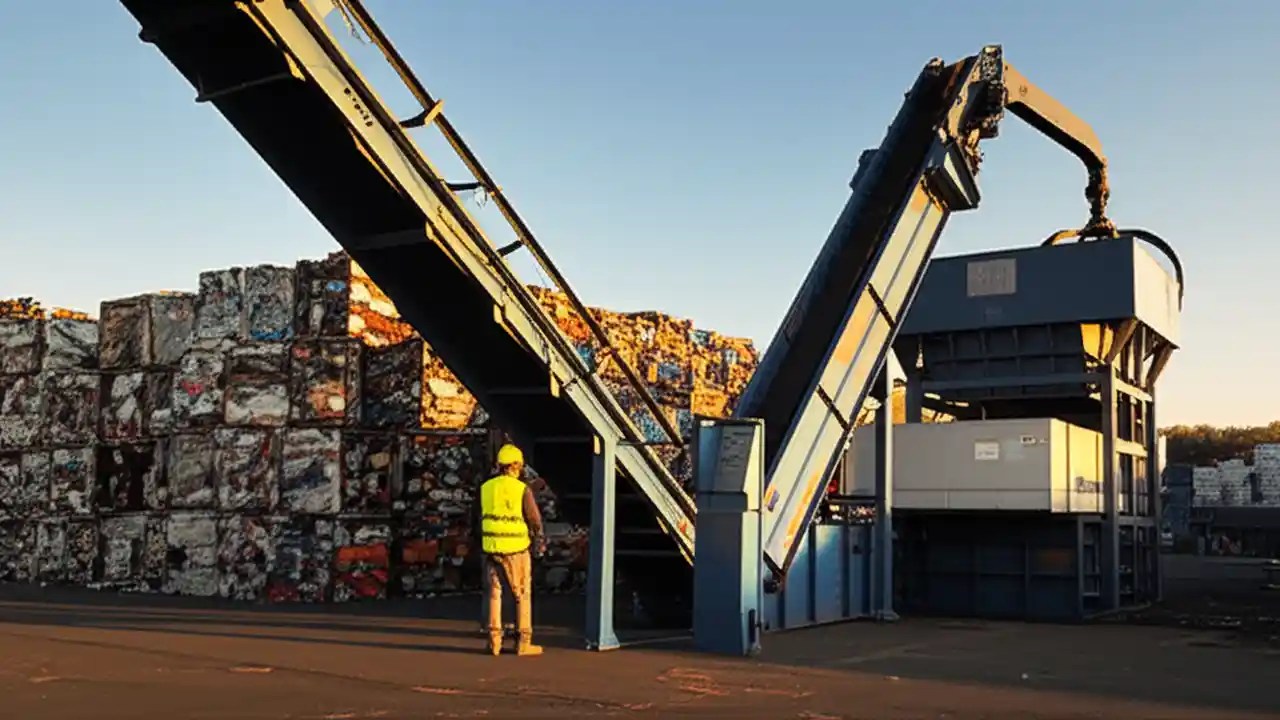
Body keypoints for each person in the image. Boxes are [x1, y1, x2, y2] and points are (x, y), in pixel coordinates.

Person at [477, 443, 547, 656]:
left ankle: (494, 642)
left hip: (491, 548)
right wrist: (539, 542)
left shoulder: (486, 488)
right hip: (516, 549)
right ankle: (523, 642)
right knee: (522, 593)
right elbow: (534, 520)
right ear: (517, 465)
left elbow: (477, 518)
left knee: (494, 594)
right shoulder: (521, 489)